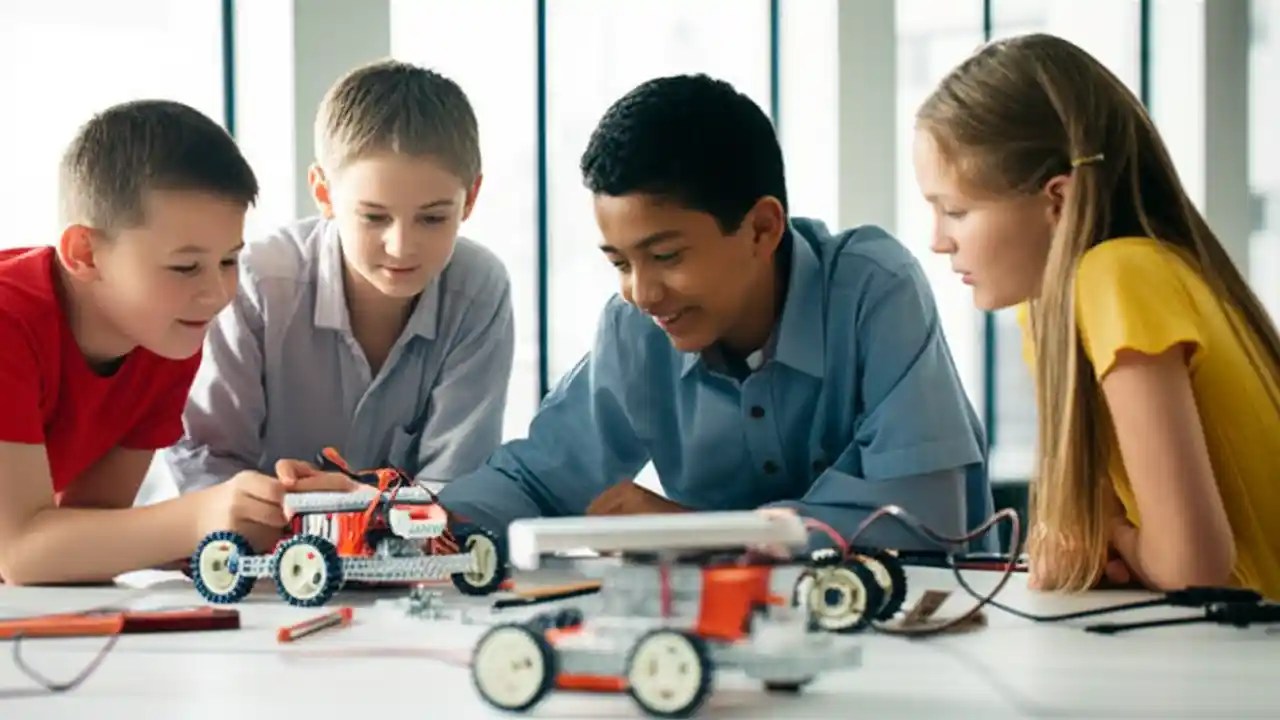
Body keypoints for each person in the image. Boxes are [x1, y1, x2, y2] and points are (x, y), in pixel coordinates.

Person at [436, 73, 993, 553]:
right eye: (620, 263)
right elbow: (534, 481)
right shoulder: (635, 328)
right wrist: (413, 523)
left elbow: (924, 515)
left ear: (761, 229)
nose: (643, 292)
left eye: (666, 256)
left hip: (927, 632)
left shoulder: (874, 290)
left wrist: (700, 532)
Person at [913, 33, 1280, 598]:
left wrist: (1112, 536)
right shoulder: (1053, 311)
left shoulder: (1117, 277)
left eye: (956, 211)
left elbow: (1191, 565)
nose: (939, 241)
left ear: (1056, 201)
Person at [0, 100, 339, 585]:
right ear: (85, 252)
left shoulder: (165, 335)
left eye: (228, 261)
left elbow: (88, 533)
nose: (218, 293)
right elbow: (20, 554)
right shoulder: (8, 322)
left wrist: (257, 516)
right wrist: (202, 516)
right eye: (185, 267)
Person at [164, 60, 515, 508]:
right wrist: (302, 509)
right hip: (261, 557)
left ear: (470, 199)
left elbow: (458, 488)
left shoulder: (479, 289)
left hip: (404, 564)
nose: (402, 246)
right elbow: (205, 469)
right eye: (374, 216)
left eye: (432, 217)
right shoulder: (258, 282)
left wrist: (361, 504)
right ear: (324, 192)